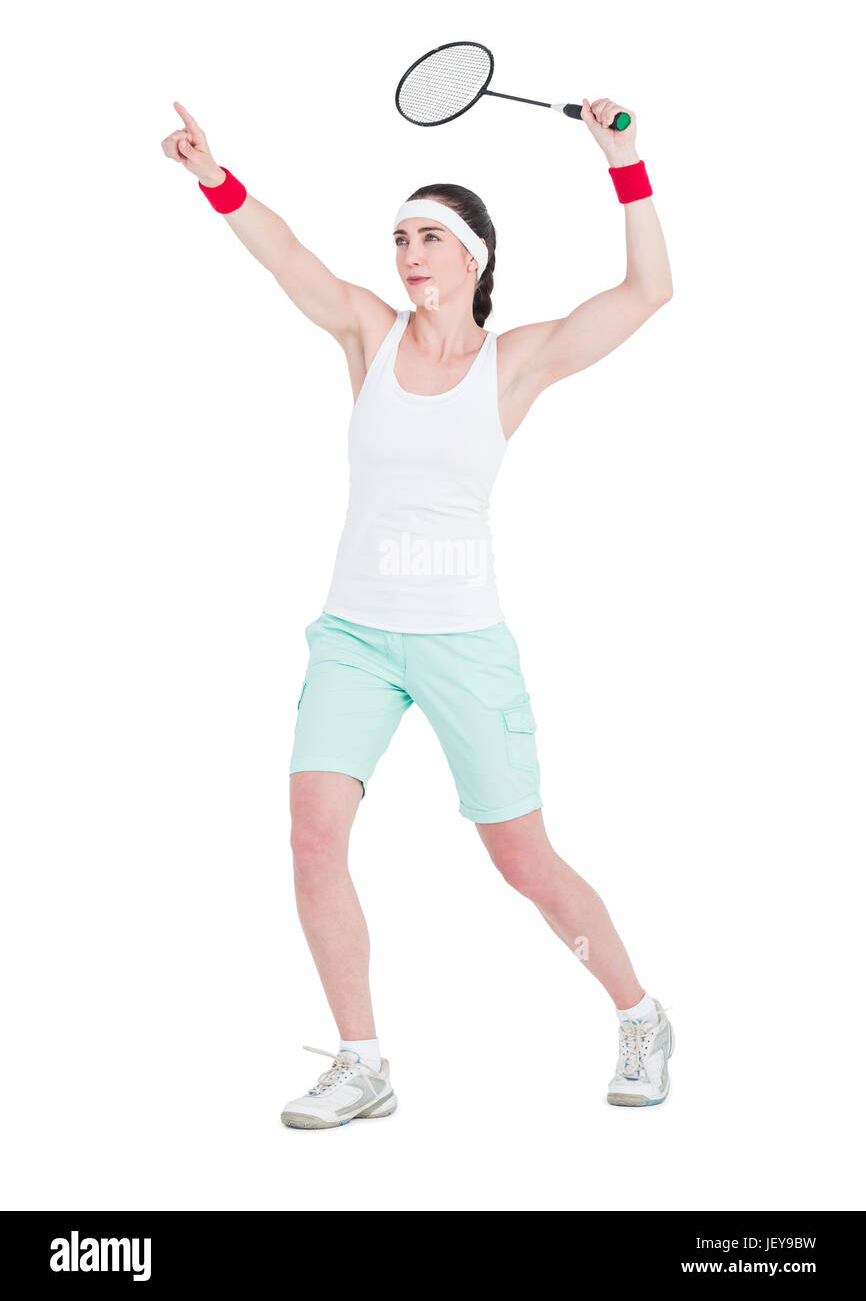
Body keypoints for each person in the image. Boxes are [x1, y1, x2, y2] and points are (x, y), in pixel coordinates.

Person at [162, 96, 675, 1128]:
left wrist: (623, 160)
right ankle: (362, 1061)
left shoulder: (513, 359)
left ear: (476, 255)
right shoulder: (367, 333)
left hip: (461, 642)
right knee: (313, 836)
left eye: (428, 236)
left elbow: (647, 291)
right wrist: (212, 173)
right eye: (397, 237)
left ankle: (637, 1011)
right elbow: (287, 257)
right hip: (353, 633)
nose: (406, 253)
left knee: (520, 857)